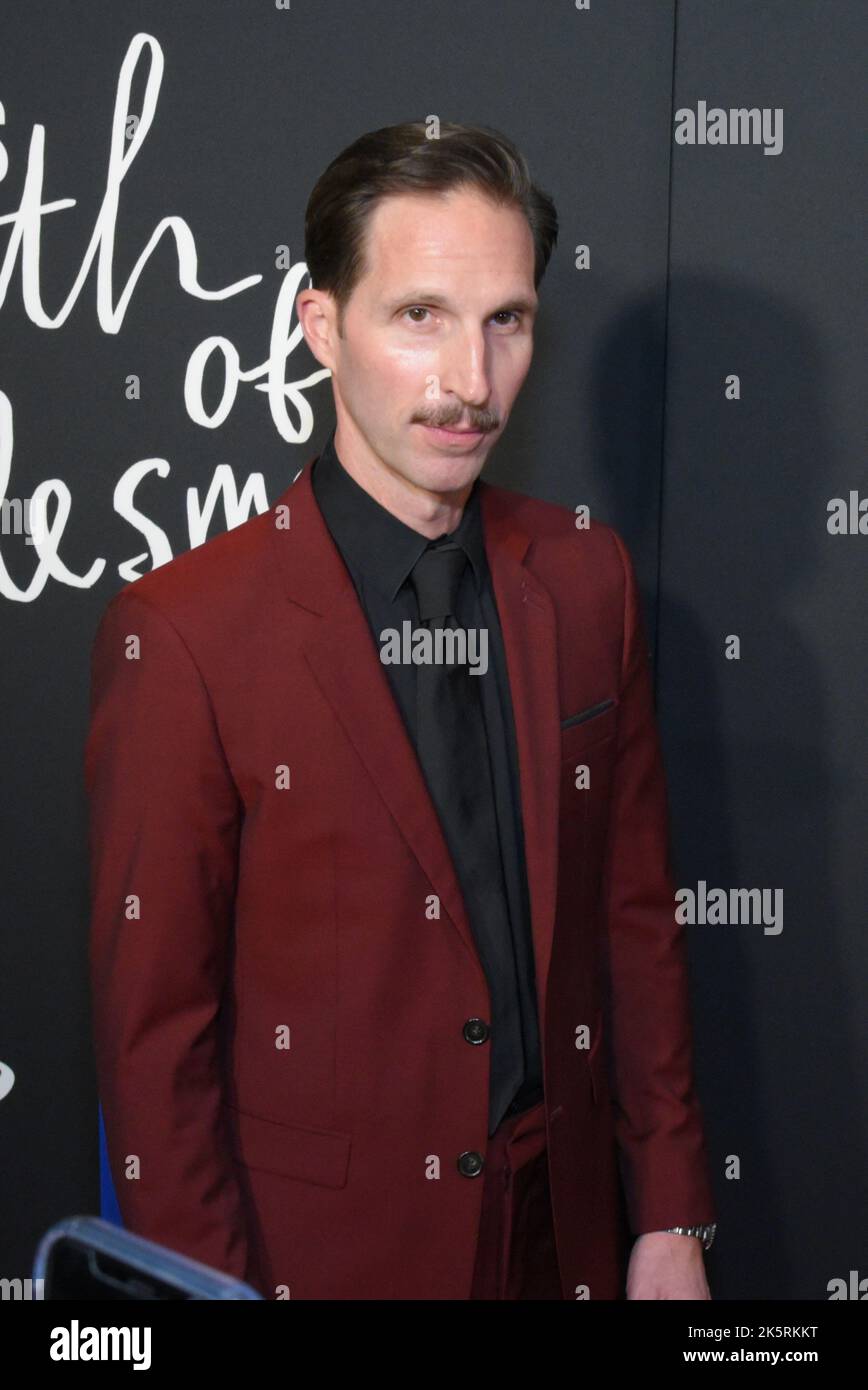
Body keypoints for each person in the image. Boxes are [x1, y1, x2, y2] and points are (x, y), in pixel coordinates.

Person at [85, 120, 717, 1300]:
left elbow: (634, 924)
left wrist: (670, 1215)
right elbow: (153, 1044)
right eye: (417, 315)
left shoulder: (587, 581)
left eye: (506, 321)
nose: (470, 384)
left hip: (563, 1237)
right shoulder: (181, 633)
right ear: (321, 326)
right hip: (317, 1263)